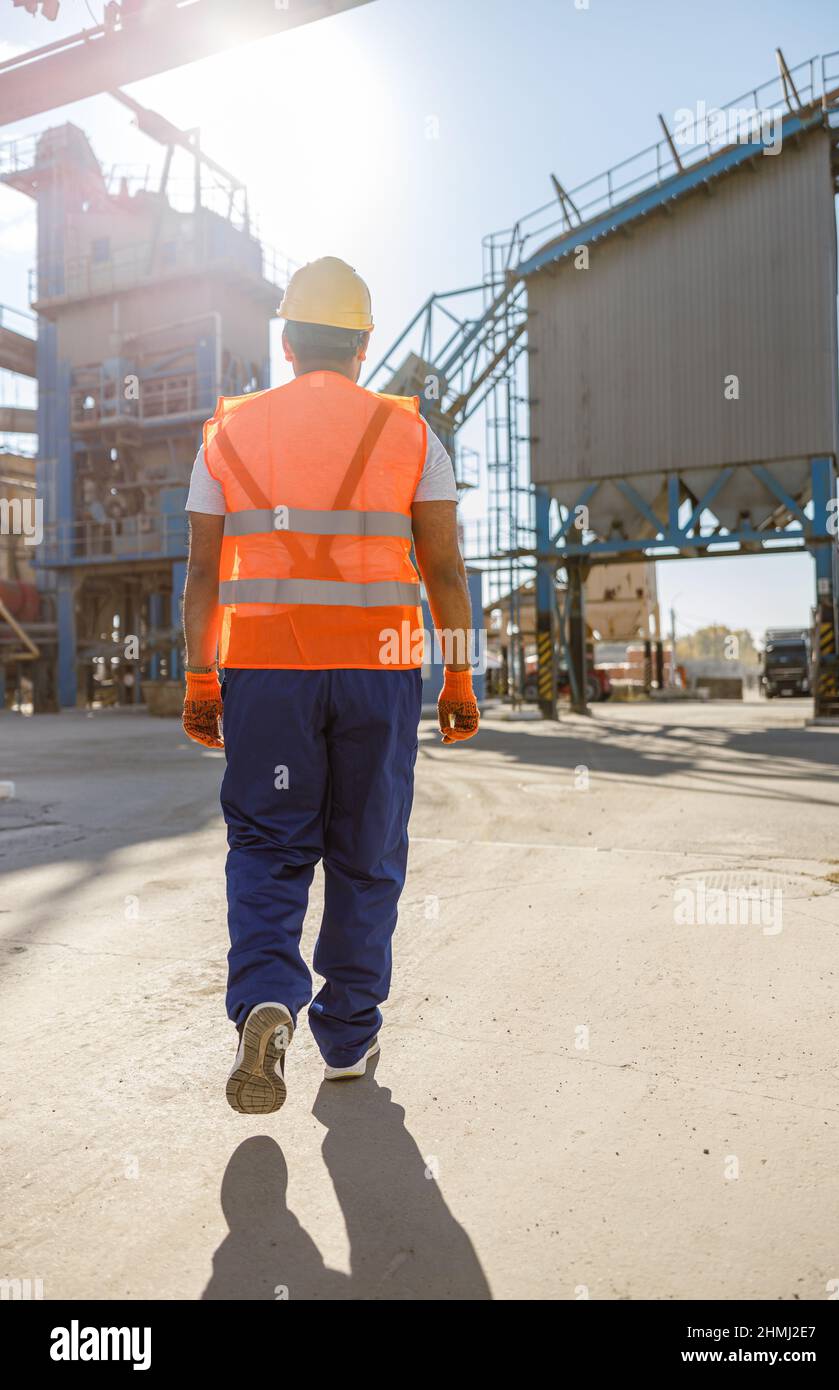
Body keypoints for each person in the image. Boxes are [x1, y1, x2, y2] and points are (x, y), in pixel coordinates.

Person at [182, 257, 479, 1113]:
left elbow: (203, 575)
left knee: (270, 846)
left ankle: (269, 997)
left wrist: (203, 678)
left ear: (285, 341)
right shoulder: (412, 437)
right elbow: (445, 572)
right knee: (366, 852)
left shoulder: (226, 437)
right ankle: (346, 1039)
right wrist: (457, 673)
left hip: (266, 672)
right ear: (364, 343)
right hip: (379, 673)